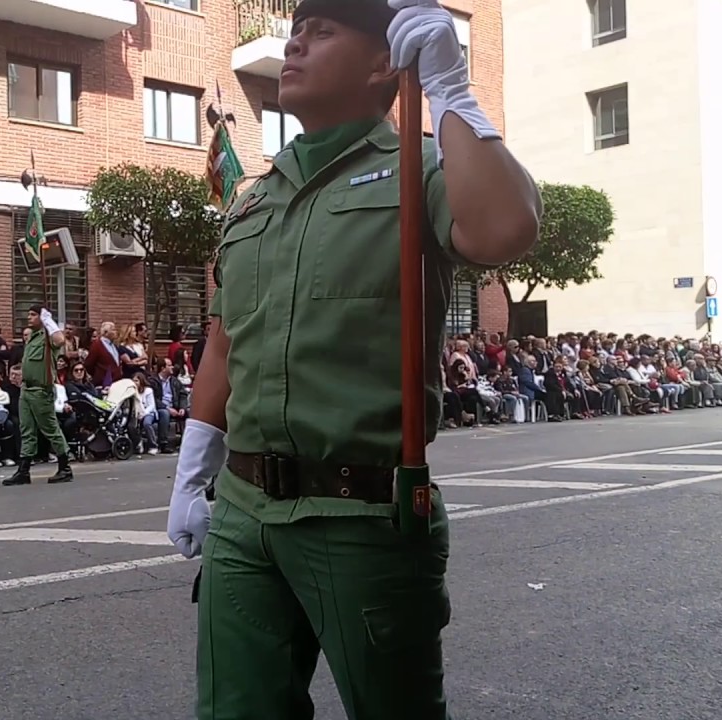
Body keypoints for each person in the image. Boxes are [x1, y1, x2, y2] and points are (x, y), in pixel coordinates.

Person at [165, 1, 540, 718]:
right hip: (244, 511)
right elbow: (226, 340)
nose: (296, 45)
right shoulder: (253, 200)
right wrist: (191, 474)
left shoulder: (421, 168)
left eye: (323, 32)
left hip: (361, 513)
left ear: (381, 64)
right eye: (295, 33)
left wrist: (451, 92)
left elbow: (504, 228)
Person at [2, 306, 73, 486]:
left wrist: (49, 321)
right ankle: (23, 471)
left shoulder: (47, 336)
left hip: (41, 390)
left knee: (50, 429)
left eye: (33, 315)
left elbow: (60, 340)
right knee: (26, 430)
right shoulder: (32, 337)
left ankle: (65, 467)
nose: (29, 318)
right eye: (28, 314)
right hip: (26, 389)